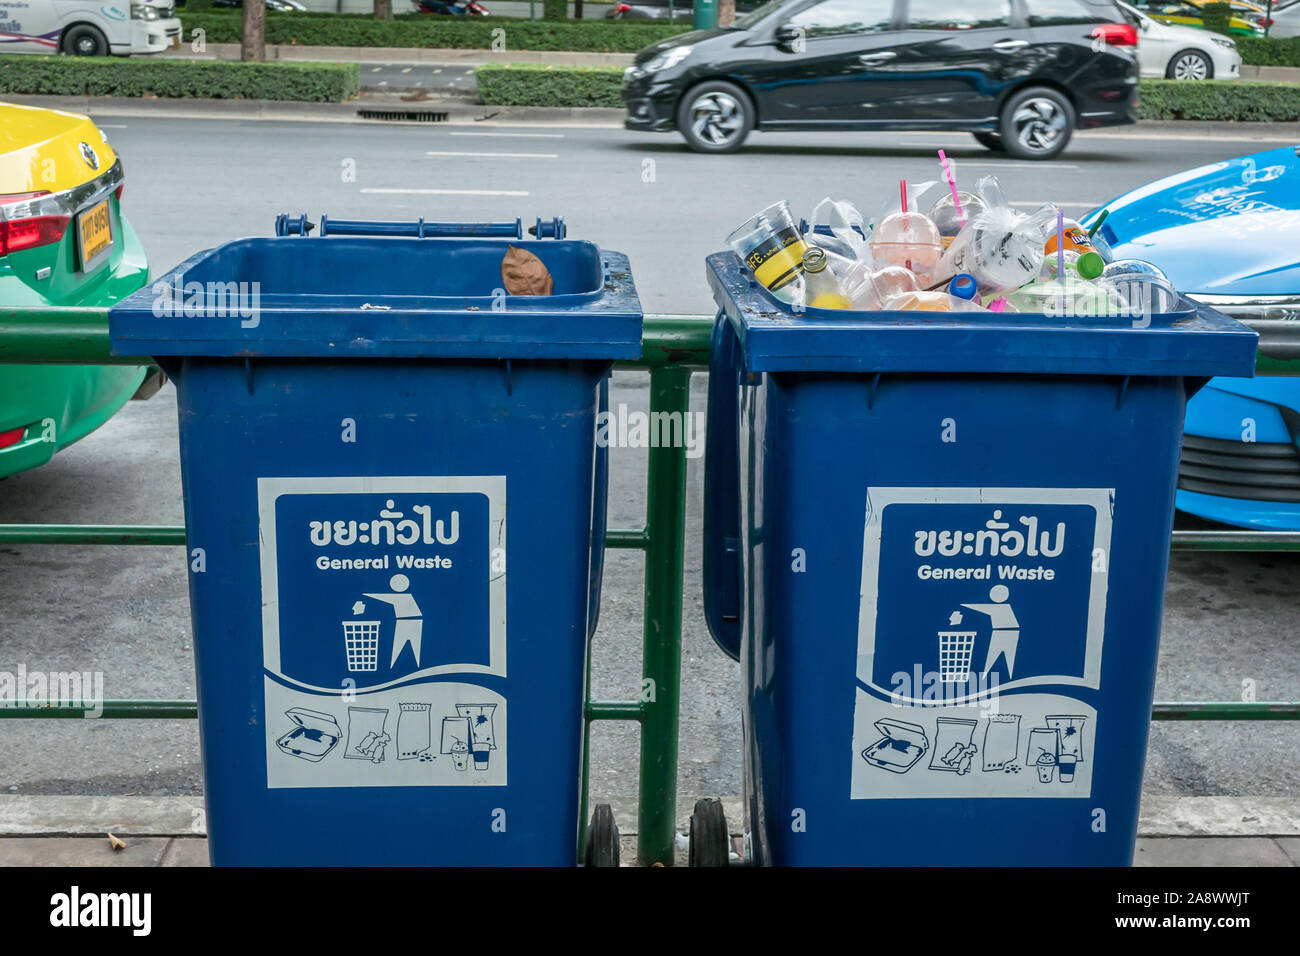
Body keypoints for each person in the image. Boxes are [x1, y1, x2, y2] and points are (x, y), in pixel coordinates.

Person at [364, 574, 424, 669]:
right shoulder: (406, 597)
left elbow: (387, 597)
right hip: (406, 622)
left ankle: (411, 666)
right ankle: (398, 666)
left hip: (409, 622)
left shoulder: (405, 597)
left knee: (410, 649)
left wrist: (368, 595)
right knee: (400, 649)